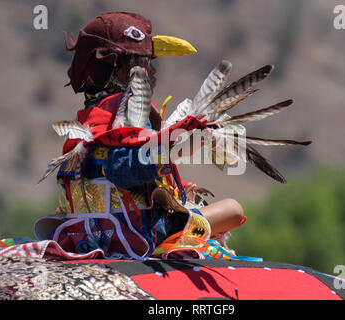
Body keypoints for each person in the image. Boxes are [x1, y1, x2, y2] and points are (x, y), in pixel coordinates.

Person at [35, 12, 248, 260]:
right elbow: (121, 169)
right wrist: (176, 149)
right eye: (143, 63)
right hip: (139, 235)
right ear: (116, 66)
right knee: (233, 209)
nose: (152, 72)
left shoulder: (91, 120)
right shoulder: (128, 111)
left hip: (85, 234)